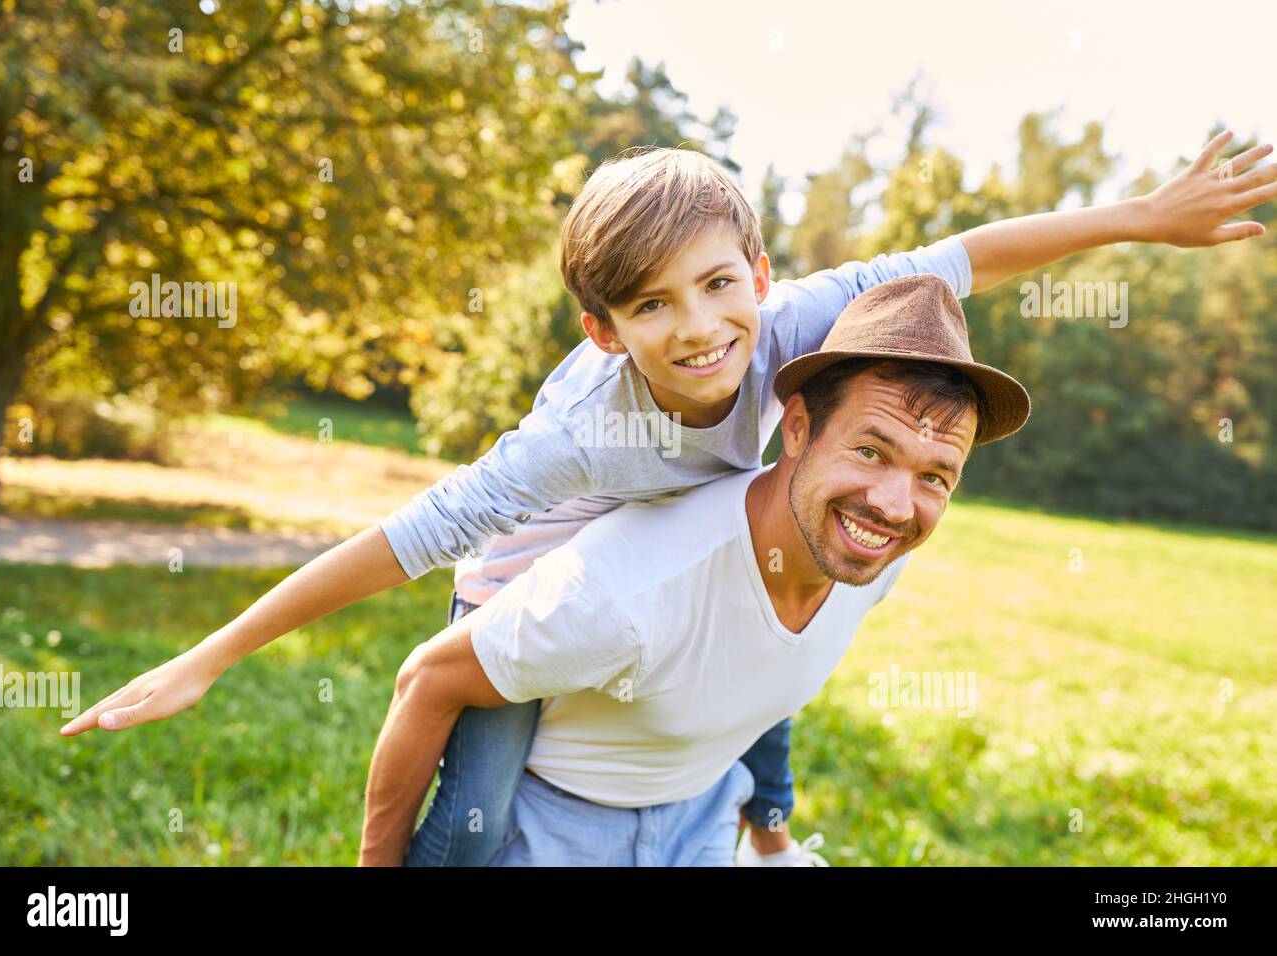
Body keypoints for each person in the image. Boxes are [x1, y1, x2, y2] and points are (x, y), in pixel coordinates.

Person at [61, 133, 1276, 867]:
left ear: (758, 270)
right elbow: (407, 538)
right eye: (650, 306)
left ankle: (764, 824)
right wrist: (209, 656)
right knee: (481, 818)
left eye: (714, 285)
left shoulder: (799, 317)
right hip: (540, 569)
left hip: (719, 541)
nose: (698, 330)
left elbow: (970, 253)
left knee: (762, 650)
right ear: (602, 325)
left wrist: (1142, 221)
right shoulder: (578, 434)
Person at [360, 274, 1026, 866]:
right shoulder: (629, 589)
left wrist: (771, 846)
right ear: (796, 429)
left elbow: (757, 681)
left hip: (704, 813)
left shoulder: (871, 555)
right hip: (558, 831)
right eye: (872, 451)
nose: (894, 505)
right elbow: (428, 681)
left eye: (935, 476)